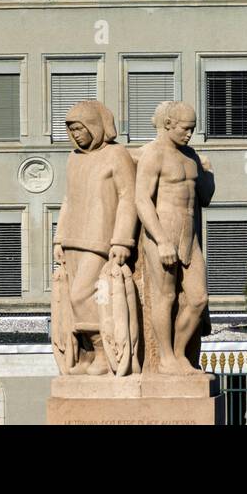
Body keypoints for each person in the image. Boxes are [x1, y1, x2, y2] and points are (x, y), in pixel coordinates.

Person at [52, 100, 138, 375]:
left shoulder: (117, 155)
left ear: (95, 126)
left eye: (79, 128)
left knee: (84, 295)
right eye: (72, 130)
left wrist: (123, 240)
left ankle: (104, 351)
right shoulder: (73, 158)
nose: (76, 134)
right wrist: (58, 238)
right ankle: (88, 353)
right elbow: (67, 199)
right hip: (73, 238)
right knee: (73, 299)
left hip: (101, 239)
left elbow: (128, 197)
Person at [135, 101, 214, 374]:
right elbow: (142, 200)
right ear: (168, 124)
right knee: (165, 297)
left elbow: (205, 197)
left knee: (198, 298)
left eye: (192, 129)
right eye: (185, 128)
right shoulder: (153, 154)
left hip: (189, 233)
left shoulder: (190, 156)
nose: (189, 134)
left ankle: (180, 354)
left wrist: (208, 174)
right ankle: (166, 358)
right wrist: (160, 240)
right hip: (163, 229)